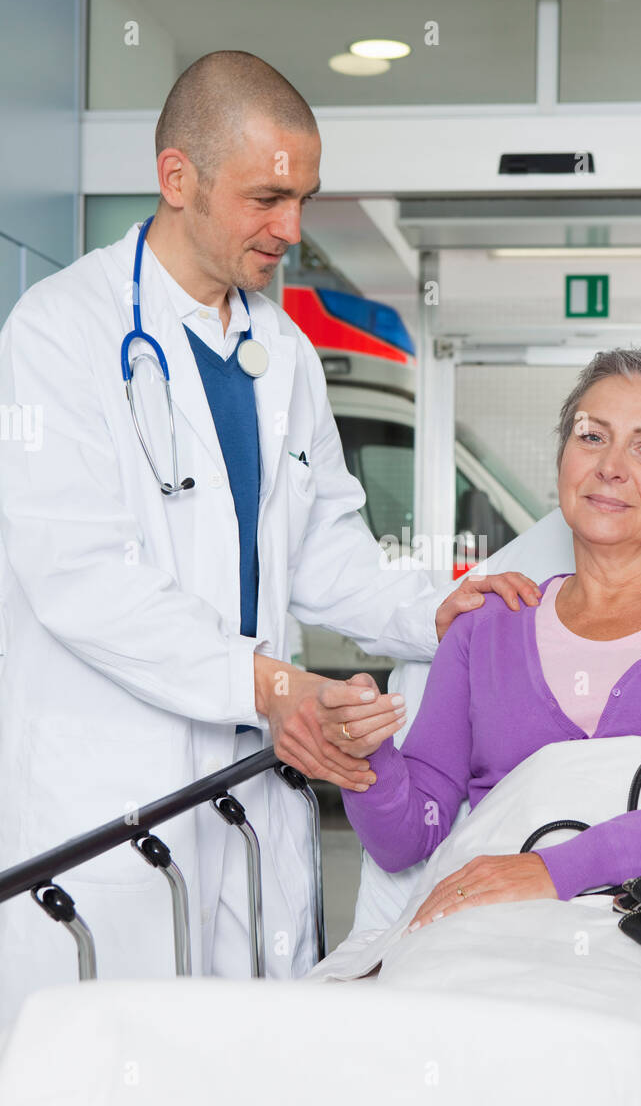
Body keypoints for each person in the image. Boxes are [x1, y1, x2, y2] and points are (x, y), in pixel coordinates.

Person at [0, 50, 538, 1026]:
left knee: (239, 1089)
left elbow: (326, 550)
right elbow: (81, 579)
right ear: (177, 178)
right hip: (110, 789)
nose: (290, 229)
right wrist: (276, 685)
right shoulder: (57, 335)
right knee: (97, 1104)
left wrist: (432, 609)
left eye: (303, 197)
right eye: (266, 198)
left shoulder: (281, 350)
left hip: (243, 786)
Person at [338, 349, 641, 929]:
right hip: (497, 934)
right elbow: (406, 839)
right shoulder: (487, 625)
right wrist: (363, 756)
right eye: (592, 437)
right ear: (564, 457)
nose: (611, 467)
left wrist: (560, 869)